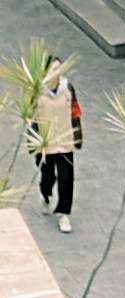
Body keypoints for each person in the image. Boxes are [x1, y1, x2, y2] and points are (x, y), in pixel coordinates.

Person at [32, 62, 79, 231]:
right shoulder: (37, 91)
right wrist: (33, 142)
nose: (57, 71)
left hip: (65, 142)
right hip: (46, 143)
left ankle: (63, 214)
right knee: (48, 177)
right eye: (53, 68)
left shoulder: (68, 88)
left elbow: (75, 112)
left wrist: (77, 135)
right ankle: (45, 195)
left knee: (66, 179)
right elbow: (31, 118)